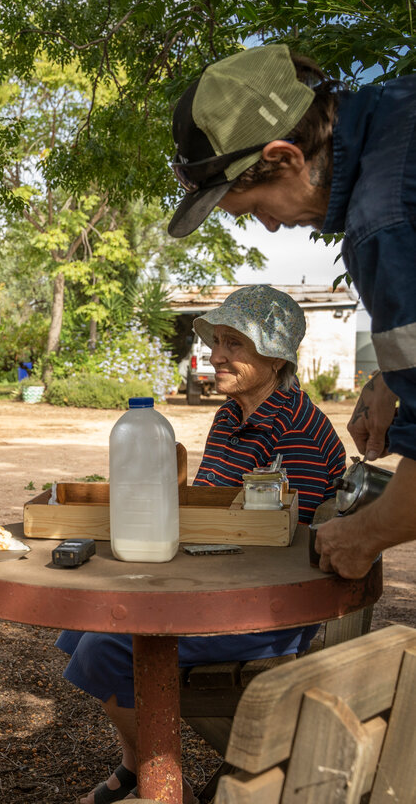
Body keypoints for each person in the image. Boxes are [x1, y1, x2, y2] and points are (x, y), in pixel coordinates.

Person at [58, 285, 346, 804]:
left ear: (274, 354)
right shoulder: (231, 419)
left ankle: (168, 788)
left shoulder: (297, 431)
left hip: (268, 613)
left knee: (104, 645)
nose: (215, 355)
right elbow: (210, 511)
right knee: (81, 627)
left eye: (233, 343)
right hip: (223, 591)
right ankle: (137, 770)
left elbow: (280, 551)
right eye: (216, 341)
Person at [165, 43, 416, 580]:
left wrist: (363, 535)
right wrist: (387, 382)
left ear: (285, 157)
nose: (272, 226)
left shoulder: (382, 224)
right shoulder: (400, 110)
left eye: (258, 208)